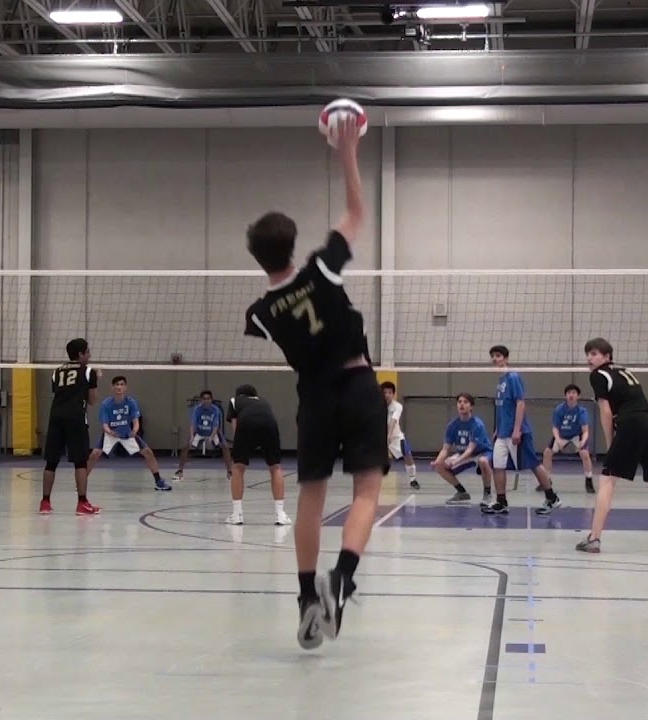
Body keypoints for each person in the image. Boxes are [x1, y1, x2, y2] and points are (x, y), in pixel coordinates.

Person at [242, 115, 385, 650]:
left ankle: (306, 597)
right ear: (294, 245)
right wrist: (346, 150)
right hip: (357, 384)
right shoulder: (321, 270)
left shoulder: (259, 313)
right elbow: (356, 212)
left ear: (258, 257)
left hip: (314, 400)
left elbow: (274, 312)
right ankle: (342, 579)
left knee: (311, 497)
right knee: (368, 488)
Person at [575, 338, 648, 554]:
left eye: (595, 353)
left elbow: (605, 411)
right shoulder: (623, 371)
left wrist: (610, 442)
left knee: (607, 479)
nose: (589, 358)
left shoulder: (598, 375)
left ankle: (594, 539)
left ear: (607, 357)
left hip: (631, 423)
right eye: (588, 353)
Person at [481, 345, 562, 516]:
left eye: (498, 356)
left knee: (533, 464)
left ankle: (552, 497)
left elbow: (520, 403)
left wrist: (516, 430)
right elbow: (503, 408)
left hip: (517, 432)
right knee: (497, 465)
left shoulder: (513, 377)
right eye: (493, 356)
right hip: (502, 433)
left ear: (506, 358)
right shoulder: (500, 381)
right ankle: (501, 502)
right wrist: (497, 428)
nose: (495, 359)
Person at [40, 338, 101, 515]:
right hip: (76, 418)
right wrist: (96, 382)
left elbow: (59, 393)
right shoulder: (89, 371)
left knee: (51, 462)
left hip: (56, 417)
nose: (89, 355)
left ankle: (45, 502)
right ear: (81, 354)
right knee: (80, 461)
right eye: (88, 352)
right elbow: (92, 400)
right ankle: (82, 503)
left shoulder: (56, 372)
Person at [225, 384, 291, 527]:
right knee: (275, 467)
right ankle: (280, 514)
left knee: (238, 468)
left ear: (239, 394)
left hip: (246, 424)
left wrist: (239, 450)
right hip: (270, 425)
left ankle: (237, 515)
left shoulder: (234, 401)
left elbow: (236, 428)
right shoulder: (263, 401)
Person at [90, 376, 170, 491]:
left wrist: (134, 431)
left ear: (125, 387)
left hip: (126, 433)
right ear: (112, 387)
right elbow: (104, 424)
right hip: (111, 433)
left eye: (122, 384)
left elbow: (135, 421)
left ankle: (158, 481)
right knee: (94, 454)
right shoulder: (106, 404)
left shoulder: (131, 402)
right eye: (117, 384)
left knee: (148, 452)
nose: (119, 387)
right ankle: (82, 482)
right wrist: (110, 432)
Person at [429, 393, 494, 506]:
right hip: (465, 454)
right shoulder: (452, 425)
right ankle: (461, 492)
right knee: (439, 466)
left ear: (471, 407)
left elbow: (470, 449)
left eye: (465, 402)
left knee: (483, 461)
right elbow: (445, 449)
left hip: (482, 452)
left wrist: (456, 461)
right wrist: (437, 461)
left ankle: (487, 493)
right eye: (459, 402)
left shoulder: (477, 424)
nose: (462, 404)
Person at [546, 384, 595, 494]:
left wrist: (583, 441)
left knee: (585, 454)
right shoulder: (559, 410)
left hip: (576, 435)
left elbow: (585, 430)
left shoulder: (581, 411)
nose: (571, 395)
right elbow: (555, 427)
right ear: (565, 396)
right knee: (547, 453)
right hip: (562, 434)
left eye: (573, 393)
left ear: (578, 396)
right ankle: (546, 480)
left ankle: (589, 480)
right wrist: (558, 439)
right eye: (569, 393)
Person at [174, 390, 233, 481]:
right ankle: (180, 470)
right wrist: (192, 436)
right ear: (201, 400)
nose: (206, 401)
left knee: (225, 446)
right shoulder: (197, 409)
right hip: (199, 432)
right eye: (204, 399)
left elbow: (216, 425)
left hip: (211, 432)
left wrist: (213, 436)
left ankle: (229, 471)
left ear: (211, 400)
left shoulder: (215, 410)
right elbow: (193, 424)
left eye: (208, 399)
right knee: (185, 447)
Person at [381, 381, 419, 488]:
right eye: (384, 392)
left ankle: (413, 479)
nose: (387, 395)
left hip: (395, 436)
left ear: (393, 394)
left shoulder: (397, 406)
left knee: (407, 455)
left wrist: (388, 435)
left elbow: (393, 421)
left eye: (389, 392)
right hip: (379, 436)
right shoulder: (376, 406)